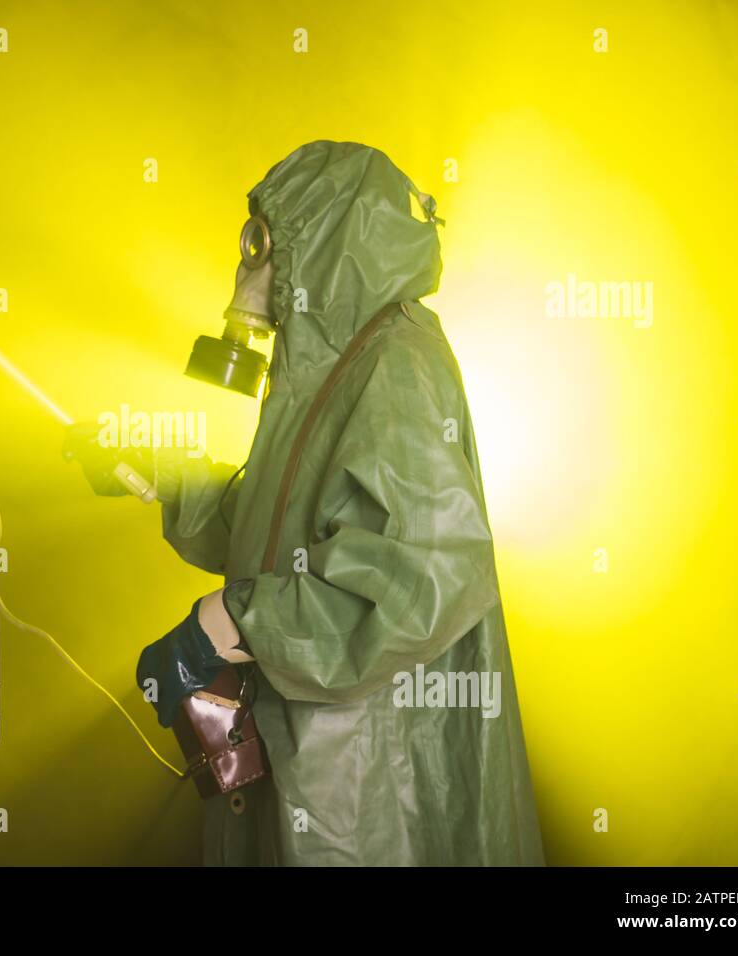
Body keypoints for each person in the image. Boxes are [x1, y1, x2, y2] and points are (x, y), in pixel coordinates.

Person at [66, 141, 544, 866]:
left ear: (321, 239)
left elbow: (424, 577)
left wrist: (223, 623)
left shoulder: (395, 361)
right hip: (312, 759)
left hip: (368, 777)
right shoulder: (324, 365)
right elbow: (281, 524)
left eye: (262, 242)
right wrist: (159, 468)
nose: (247, 265)